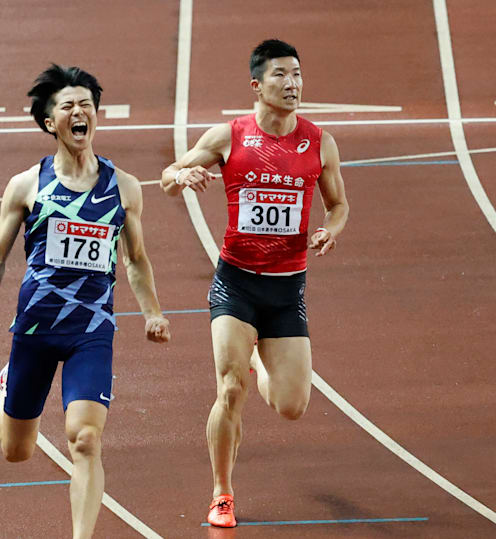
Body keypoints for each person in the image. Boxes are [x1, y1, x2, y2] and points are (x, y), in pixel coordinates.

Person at [0, 65, 170, 539]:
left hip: (91, 331)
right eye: (67, 106)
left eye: (86, 105)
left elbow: (135, 260)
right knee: (17, 451)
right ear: (48, 123)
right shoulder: (26, 185)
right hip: (35, 329)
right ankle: (7, 388)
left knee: (86, 439)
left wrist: (153, 312)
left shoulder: (125, 187)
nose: (80, 113)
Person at [160, 39, 349, 528]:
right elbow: (168, 172)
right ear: (257, 85)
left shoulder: (319, 141)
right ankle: (222, 492)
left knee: (292, 406)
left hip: (287, 292)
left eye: (298, 75)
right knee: (228, 390)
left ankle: (257, 365)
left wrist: (333, 228)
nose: (293, 84)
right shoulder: (229, 137)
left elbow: (339, 204)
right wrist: (181, 176)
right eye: (281, 75)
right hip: (236, 286)